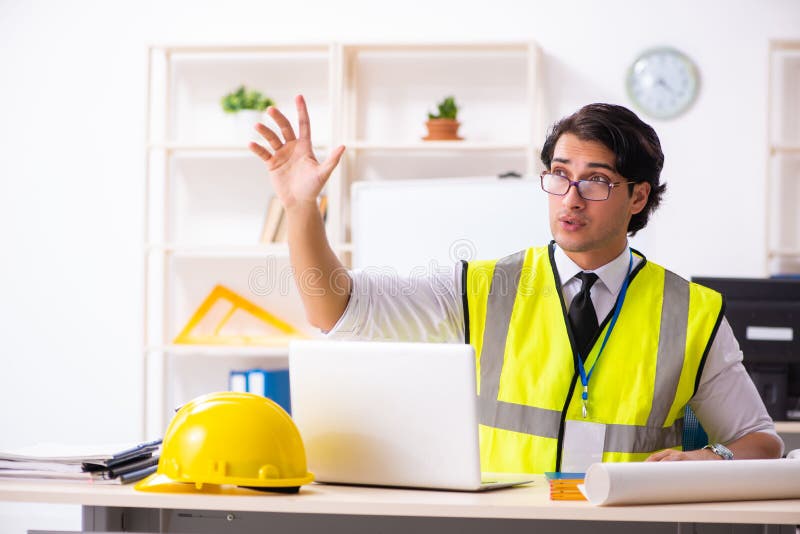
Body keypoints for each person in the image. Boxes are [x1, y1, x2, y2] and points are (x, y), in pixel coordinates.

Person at [249, 95, 783, 474]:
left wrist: (707, 457)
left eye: (596, 180)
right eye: (560, 174)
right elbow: (334, 310)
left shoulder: (692, 312)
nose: (571, 197)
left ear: (638, 197)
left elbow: (760, 442)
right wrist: (300, 208)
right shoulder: (480, 288)